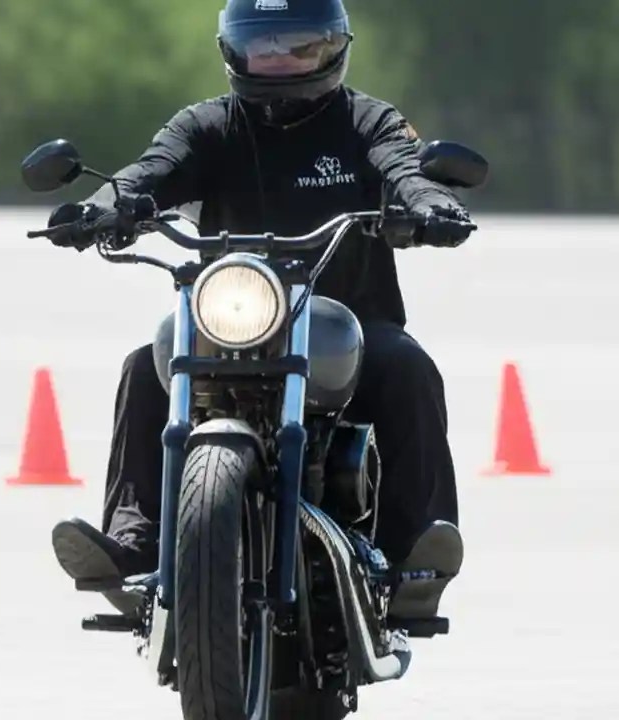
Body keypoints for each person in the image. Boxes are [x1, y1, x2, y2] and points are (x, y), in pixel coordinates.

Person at [46, 0, 475, 621]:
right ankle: (136, 548)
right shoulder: (207, 125)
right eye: (260, 44)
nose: (276, 58)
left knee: (408, 367)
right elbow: (150, 171)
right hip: (230, 326)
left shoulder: (367, 122)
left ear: (332, 47)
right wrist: (102, 208)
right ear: (232, 50)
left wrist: (430, 206)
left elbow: (407, 170)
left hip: (346, 324)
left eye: (295, 44)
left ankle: (413, 558)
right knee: (146, 366)